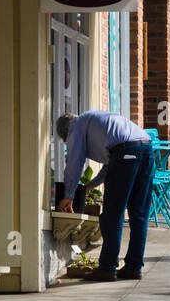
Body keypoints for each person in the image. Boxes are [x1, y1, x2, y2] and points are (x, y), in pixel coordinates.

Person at [57, 110, 155, 281]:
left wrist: (68, 195)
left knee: (112, 215)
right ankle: (134, 267)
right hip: (146, 149)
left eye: (66, 141)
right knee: (139, 214)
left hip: (126, 153)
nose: (68, 144)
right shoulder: (95, 122)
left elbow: (75, 161)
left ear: (66, 132)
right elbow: (112, 162)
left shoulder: (76, 126)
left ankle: (108, 267)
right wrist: (91, 185)